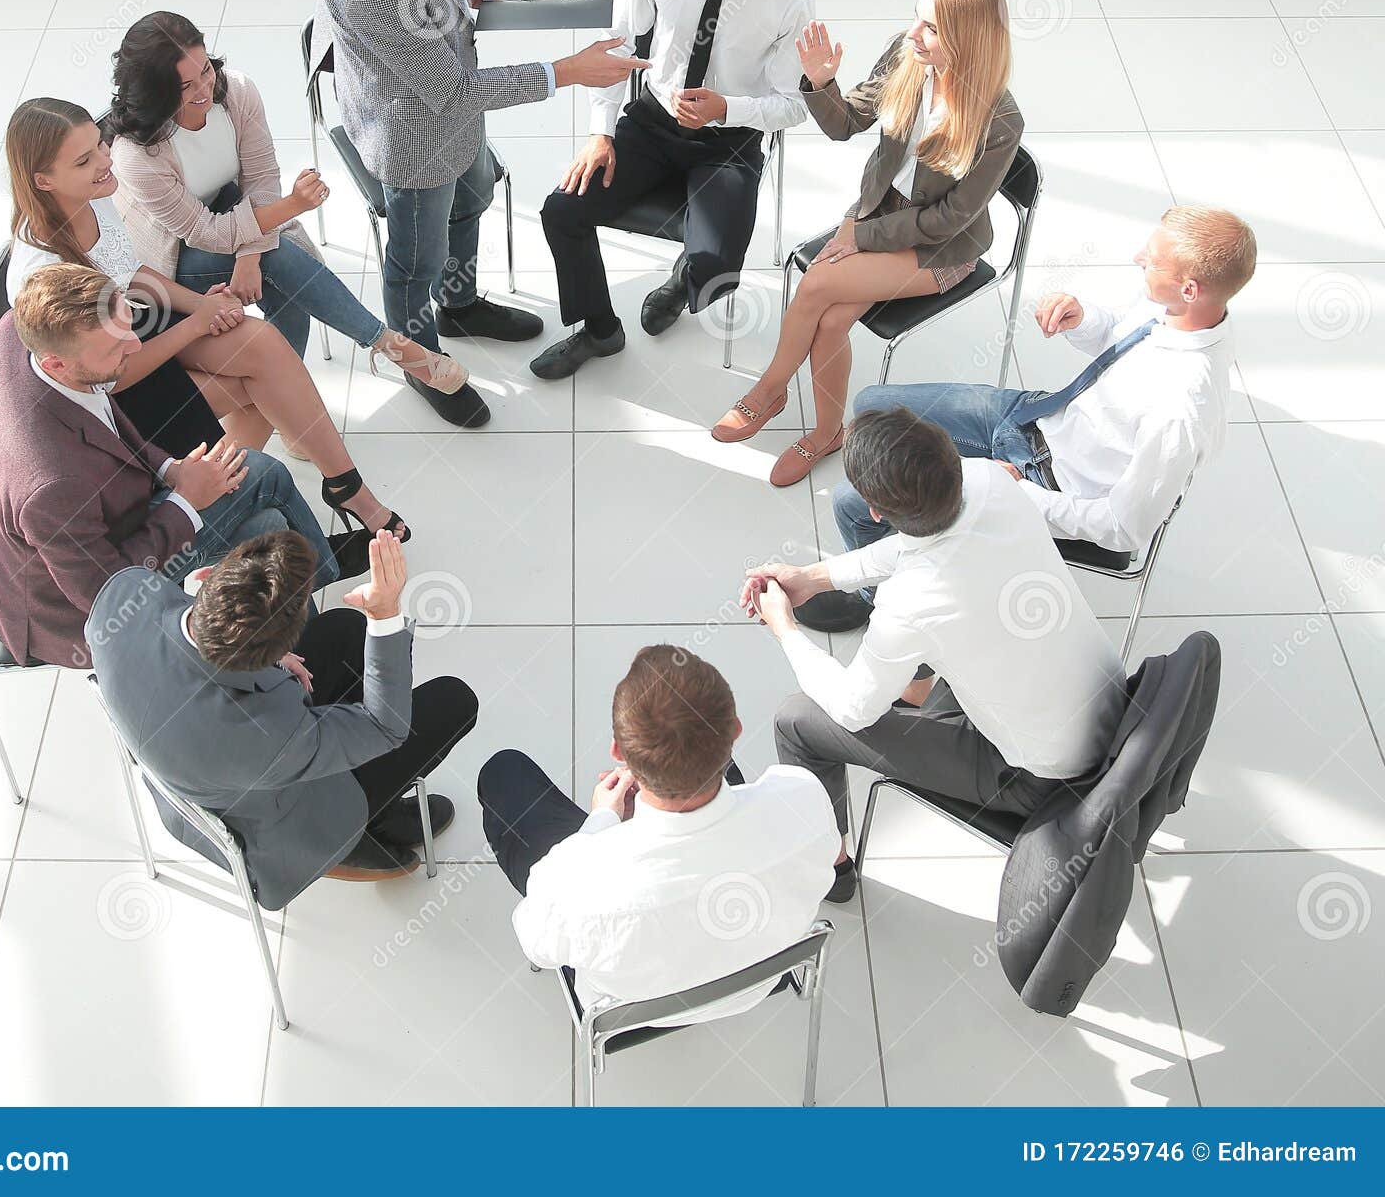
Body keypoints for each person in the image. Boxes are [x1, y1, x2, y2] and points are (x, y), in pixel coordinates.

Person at [316, 0, 648, 427]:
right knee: (414, 262)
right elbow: (451, 92)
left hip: (438, 90)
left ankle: (460, 302)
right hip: (412, 127)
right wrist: (568, 72)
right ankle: (423, 363)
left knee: (474, 195)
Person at [796, 205, 1257, 633]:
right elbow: (1119, 340)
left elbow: (1123, 528)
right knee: (874, 405)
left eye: (1152, 260)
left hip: (1046, 484)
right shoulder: (1183, 309)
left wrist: (1019, 495)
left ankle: (875, 599)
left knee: (850, 503)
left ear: (1190, 289)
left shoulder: (1182, 406)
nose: (1138, 258)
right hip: (1037, 419)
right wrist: (1083, 319)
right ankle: (916, 546)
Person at [744, 407, 1126, 903]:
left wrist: (786, 630)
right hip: (1111, 711)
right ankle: (913, 694)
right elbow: (916, 548)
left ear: (875, 513)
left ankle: (828, 869)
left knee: (797, 720)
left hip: (1040, 778)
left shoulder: (910, 604)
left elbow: (851, 709)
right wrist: (816, 577)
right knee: (922, 639)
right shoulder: (991, 481)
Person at [7, 96, 416, 542]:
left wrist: (199, 305)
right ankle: (231, 503)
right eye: (85, 160)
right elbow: (109, 378)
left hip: (135, 327)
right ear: (43, 180)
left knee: (258, 341)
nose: (107, 161)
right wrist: (193, 325)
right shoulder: (42, 274)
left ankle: (343, 487)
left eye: (100, 147)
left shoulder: (91, 197)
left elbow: (132, 275)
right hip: (114, 396)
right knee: (258, 391)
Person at [712, 0, 1024, 488]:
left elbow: (948, 220)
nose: (913, 32)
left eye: (930, 27)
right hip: (879, 212)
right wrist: (817, 82)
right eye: (916, 17)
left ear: (968, 38)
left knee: (815, 283)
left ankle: (769, 389)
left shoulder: (1000, 119)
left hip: (940, 249)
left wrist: (858, 236)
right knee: (831, 322)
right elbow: (844, 124)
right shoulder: (907, 56)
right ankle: (828, 434)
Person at [0, 263, 350, 670]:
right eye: (115, 347)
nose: (134, 346)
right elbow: (107, 590)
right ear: (55, 365)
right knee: (264, 489)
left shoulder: (19, 329)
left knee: (267, 516)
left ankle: (307, 624)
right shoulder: (49, 485)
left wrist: (170, 469)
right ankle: (318, 599)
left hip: (99, 524)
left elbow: (103, 417)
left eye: (127, 326)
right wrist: (184, 502)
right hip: (83, 609)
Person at [528, 0, 814, 380]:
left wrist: (725, 107)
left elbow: (792, 104)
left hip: (727, 142)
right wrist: (601, 130)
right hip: (651, 126)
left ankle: (682, 280)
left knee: (716, 269)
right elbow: (615, 42)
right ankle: (599, 330)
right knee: (561, 211)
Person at [88, 529, 477, 895]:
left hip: (184, 758)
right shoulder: (272, 734)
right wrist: (384, 614)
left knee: (346, 629)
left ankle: (379, 806)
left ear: (208, 577)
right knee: (454, 702)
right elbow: (386, 727)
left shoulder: (122, 595)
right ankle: (356, 834)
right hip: (275, 819)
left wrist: (259, 654)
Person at [106, 11, 465, 407]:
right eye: (184, 86)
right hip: (176, 263)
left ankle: (284, 407)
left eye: (205, 70)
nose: (203, 90)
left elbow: (261, 179)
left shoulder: (237, 91)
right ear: (153, 91)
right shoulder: (137, 155)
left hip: (238, 219)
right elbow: (207, 232)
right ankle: (387, 344)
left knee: (283, 290)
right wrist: (290, 209)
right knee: (278, 257)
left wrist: (248, 257)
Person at [478, 645, 838, 1022]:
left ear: (619, 751)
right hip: (759, 982)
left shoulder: (573, 882)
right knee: (693, 741)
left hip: (635, 1013)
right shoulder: (803, 799)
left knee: (505, 771)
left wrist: (602, 821)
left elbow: (536, 942)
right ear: (736, 730)